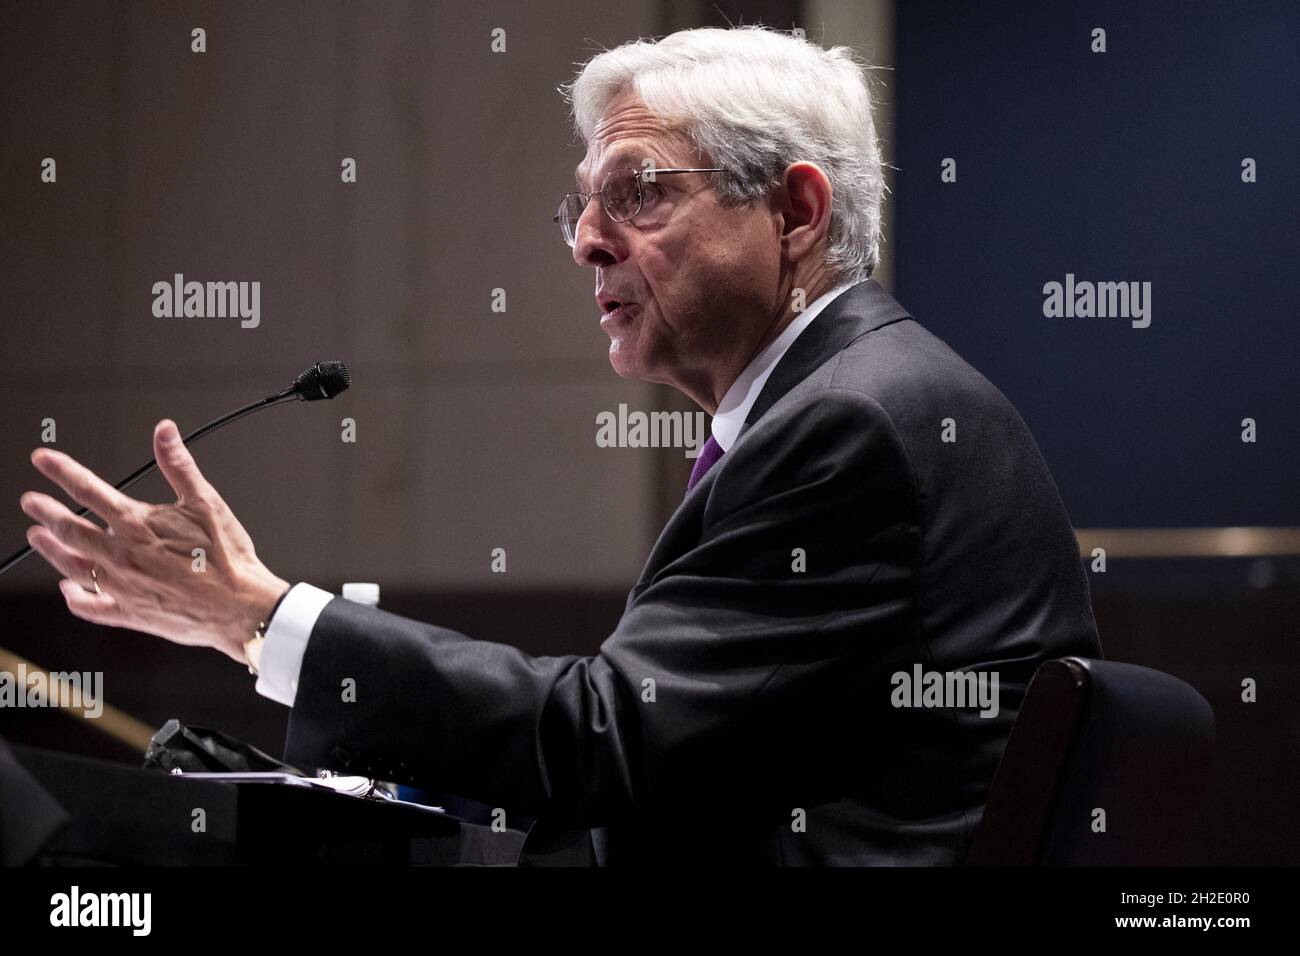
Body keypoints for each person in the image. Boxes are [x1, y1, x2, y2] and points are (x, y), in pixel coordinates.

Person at [19, 26, 1101, 865]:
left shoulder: (849, 425)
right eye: (581, 206)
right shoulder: (854, 395)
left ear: (797, 213)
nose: (588, 240)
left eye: (639, 192)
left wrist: (259, 614)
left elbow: (599, 743)